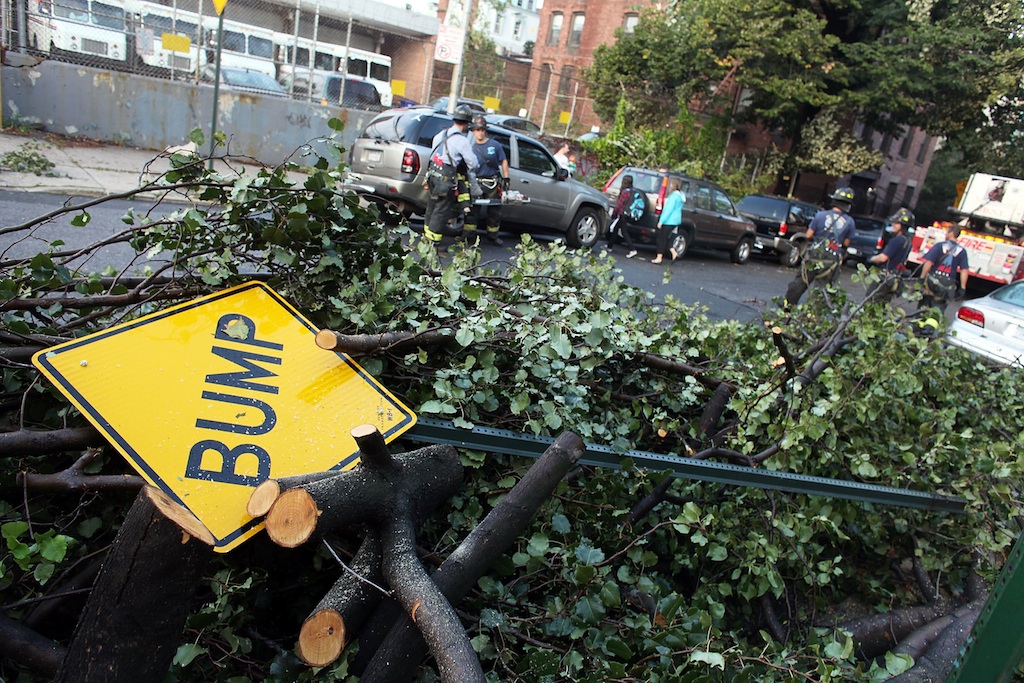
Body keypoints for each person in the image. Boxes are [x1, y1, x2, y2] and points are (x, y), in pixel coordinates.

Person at [783, 187, 858, 306]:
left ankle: (787, 307)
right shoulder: (850, 222)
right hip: (831, 260)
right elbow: (846, 243)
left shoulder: (820, 215)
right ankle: (813, 317)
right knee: (822, 291)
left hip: (814, 255)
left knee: (800, 283)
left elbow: (808, 235)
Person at [423, 104, 481, 247]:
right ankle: (433, 241)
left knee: (432, 205)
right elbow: (473, 163)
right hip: (446, 179)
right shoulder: (462, 141)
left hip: (432, 175)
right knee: (442, 209)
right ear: (467, 124)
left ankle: (426, 237)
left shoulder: (440, 135)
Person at [465, 114, 510, 246]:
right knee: (472, 211)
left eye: (482, 130)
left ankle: (493, 236)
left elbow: (503, 161)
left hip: (492, 182)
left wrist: (506, 178)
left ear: (485, 130)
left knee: (494, 211)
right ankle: (468, 237)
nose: (480, 132)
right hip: (475, 182)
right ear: (473, 131)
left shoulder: (495, 145)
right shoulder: (469, 147)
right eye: (477, 130)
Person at [919, 223, 970, 310]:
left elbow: (929, 262)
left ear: (951, 233)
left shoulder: (939, 246)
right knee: (938, 311)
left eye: (947, 232)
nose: (946, 235)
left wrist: (922, 278)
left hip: (932, 282)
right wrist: (962, 288)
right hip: (947, 285)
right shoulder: (962, 251)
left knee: (924, 308)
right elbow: (964, 270)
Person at [869, 207, 915, 300]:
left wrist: (871, 258)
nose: (893, 224)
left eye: (896, 223)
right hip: (895, 279)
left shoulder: (896, 240)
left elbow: (883, 258)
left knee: (871, 301)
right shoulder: (908, 241)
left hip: (885, 278)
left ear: (902, 225)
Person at [606, 174, 640, 258]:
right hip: (627, 213)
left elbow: (619, 205)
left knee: (624, 232)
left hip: (622, 214)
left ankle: (632, 249)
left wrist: (614, 214)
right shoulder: (632, 191)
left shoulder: (625, 192)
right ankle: (609, 246)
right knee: (616, 229)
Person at [653, 178, 684, 264]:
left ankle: (659, 257)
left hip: (668, 220)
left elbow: (668, 210)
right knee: (668, 238)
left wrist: (661, 221)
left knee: (661, 238)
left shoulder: (673, 196)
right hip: (676, 220)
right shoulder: (681, 196)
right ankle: (674, 252)